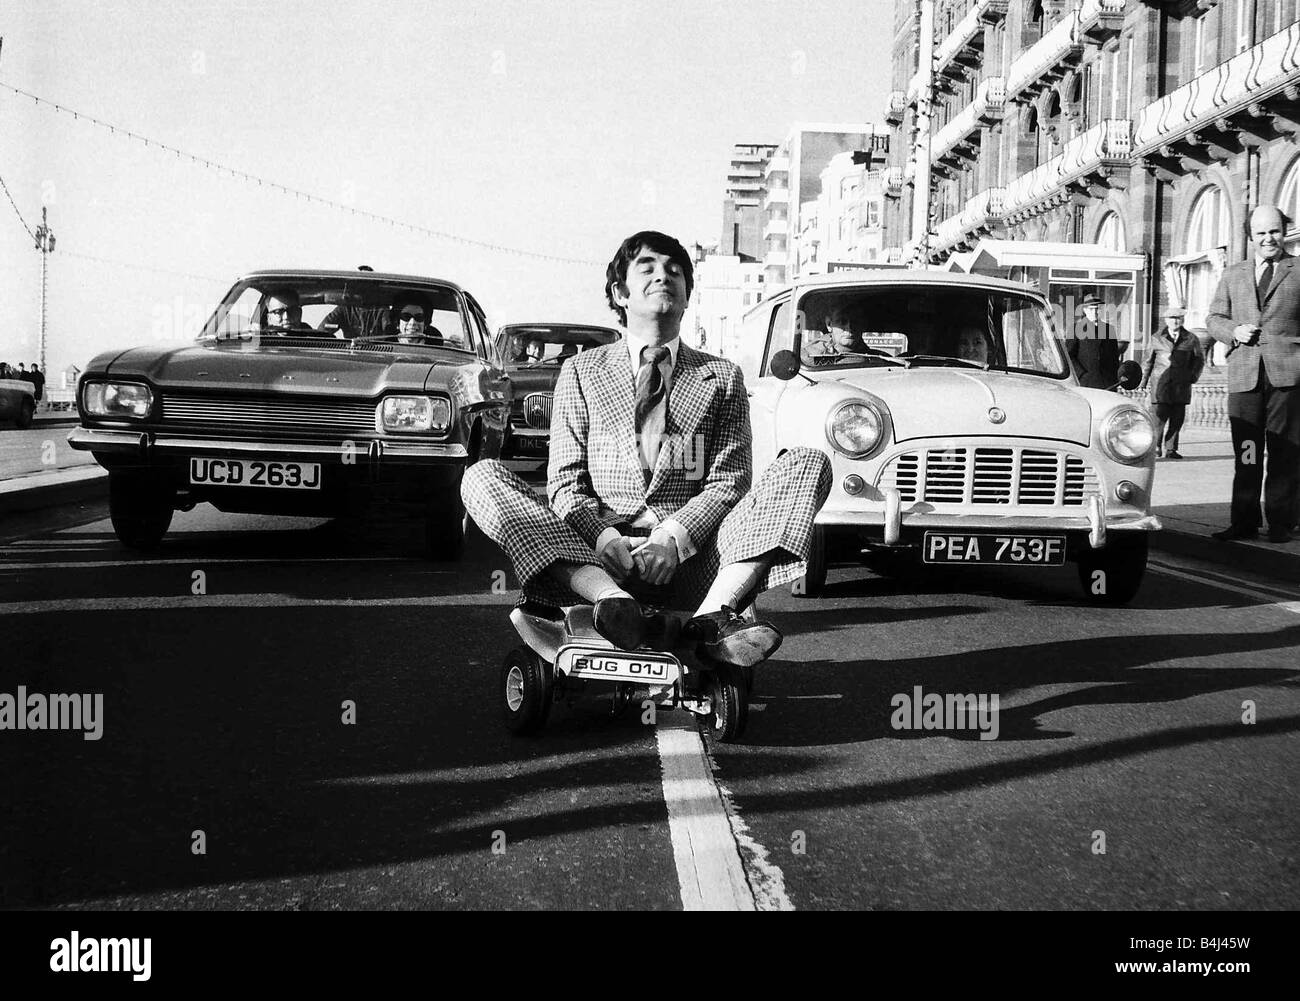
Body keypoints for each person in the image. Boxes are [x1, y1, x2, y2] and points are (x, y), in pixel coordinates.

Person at [461, 230, 832, 666]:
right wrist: (604, 539)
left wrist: (671, 540)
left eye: (675, 270)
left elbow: (728, 483)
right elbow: (565, 483)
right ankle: (614, 605)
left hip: (693, 561)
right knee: (480, 476)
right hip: (594, 561)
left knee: (809, 461)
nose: (664, 276)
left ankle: (714, 617)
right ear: (620, 292)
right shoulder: (581, 372)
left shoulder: (722, 376)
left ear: (688, 297)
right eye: (648, 267)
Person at [1207, 204, 1300, 543]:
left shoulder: (1298, 269)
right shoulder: (1233, 274)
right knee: (1247, 450)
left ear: (1284, 231)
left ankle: (1281, 523)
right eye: (1260, 233)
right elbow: (1213, 319)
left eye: (1274, 231)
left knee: (1284, 452)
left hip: (1288, 377)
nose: (1268, 239)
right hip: (1245, 375)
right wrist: (1234, 331)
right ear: (1250, 236)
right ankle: (1243, 522)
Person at [1140, 306, 1204, 459]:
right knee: (1158, 418)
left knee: (1177, 418)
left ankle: (1171, 449)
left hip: (1181, 385)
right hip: (1161, 384)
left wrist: (1192, 376)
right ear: (1166, 320)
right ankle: (1155, 447)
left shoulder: (1191, 338)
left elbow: (1199, 360)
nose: (1175, 321)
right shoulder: (1156, 338)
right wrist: (1142, 382)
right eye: (1172, 318)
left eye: (1178, 318)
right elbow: (1147, 361)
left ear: (1182, 320)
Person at [1065, 292, 1129, 388]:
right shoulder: (1076, 328)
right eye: (1091, 309)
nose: (1095, 312)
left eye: (1097, 309)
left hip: (1107, 383)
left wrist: (1115, 377)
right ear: (1085, 310)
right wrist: (1081, 374)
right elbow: (1069, 356)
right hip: (1085, 383)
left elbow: (1114, 357)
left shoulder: (1109, 329)